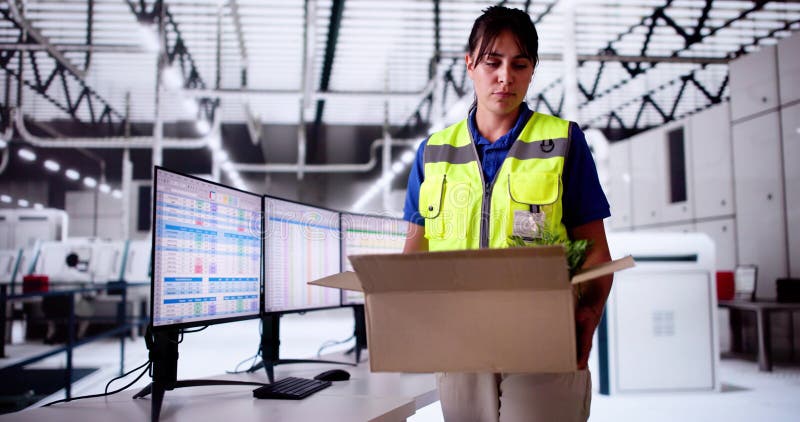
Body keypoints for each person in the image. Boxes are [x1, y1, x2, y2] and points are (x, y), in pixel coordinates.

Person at [402, 5, 612, 422]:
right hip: (460, 344)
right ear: (470, 65)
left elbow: (595, 252)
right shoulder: (434, 152)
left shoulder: (564, 142)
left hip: (543, 343)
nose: (505, 77)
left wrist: (585, 324)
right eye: (492, 62)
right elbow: (415, 248)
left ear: (532, 70)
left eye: (519, 64)